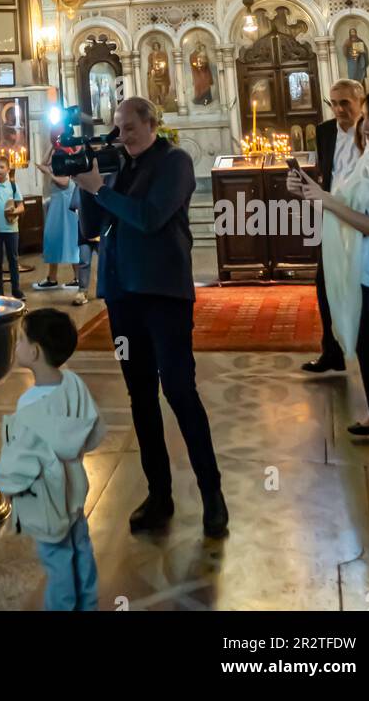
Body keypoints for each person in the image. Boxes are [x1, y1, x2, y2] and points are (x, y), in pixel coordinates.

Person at [75, 96, 227, 538]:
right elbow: (95, 227)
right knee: (140, 398)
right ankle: (159, 494)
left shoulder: (174, 162)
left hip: (163, 295)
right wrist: (80, 183)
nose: (124, 134)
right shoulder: (121, 166)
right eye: (119, 128)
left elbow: (150, 217)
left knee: (179, 391)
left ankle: (212, 495)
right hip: (123, 298)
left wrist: (100, 188)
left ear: (151, 124)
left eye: (131, 126)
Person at [288, 85, 369, 543]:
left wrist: (326, 201)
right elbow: (346, 202)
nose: (366, 124)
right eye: (367, 118)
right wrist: (316, 193)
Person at [0, 308, 105, 611]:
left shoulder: (30, 407)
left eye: (20, 340)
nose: (16, 346)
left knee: (57, 562)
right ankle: (88, 604)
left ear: (34, 351)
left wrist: (5, 485)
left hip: (45, 500)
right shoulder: (73, 384)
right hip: (74, 490)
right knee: (81, 549)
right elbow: (95, 430)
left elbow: (22, 459)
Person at [302, 79, 364, 376]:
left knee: (361, 284)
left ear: (360, 102)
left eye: (345, 103)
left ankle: (365, 354)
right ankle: (332, 351)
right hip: (331, 216)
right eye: (334, 103)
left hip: (362, 218)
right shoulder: (325, 131)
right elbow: (326, 171)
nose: (338, 109)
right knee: (325, 284)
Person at [33, 141, 80, 291]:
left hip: (67, 209)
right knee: (52, 239)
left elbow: (65, 182)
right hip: (57, 207)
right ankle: (52, 278)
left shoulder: (67, 167)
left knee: (71, 241)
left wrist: (49, 173)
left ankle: (78, 278)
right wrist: (53, 144)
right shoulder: (56, 166)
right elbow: (42, 164)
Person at [0, 155, 24, 300]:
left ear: (8, 169)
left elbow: (21, 205)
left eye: (2, 167)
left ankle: (16, 290)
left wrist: (15, 211)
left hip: (11, 229)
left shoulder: (13, 186)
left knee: (13, 260)